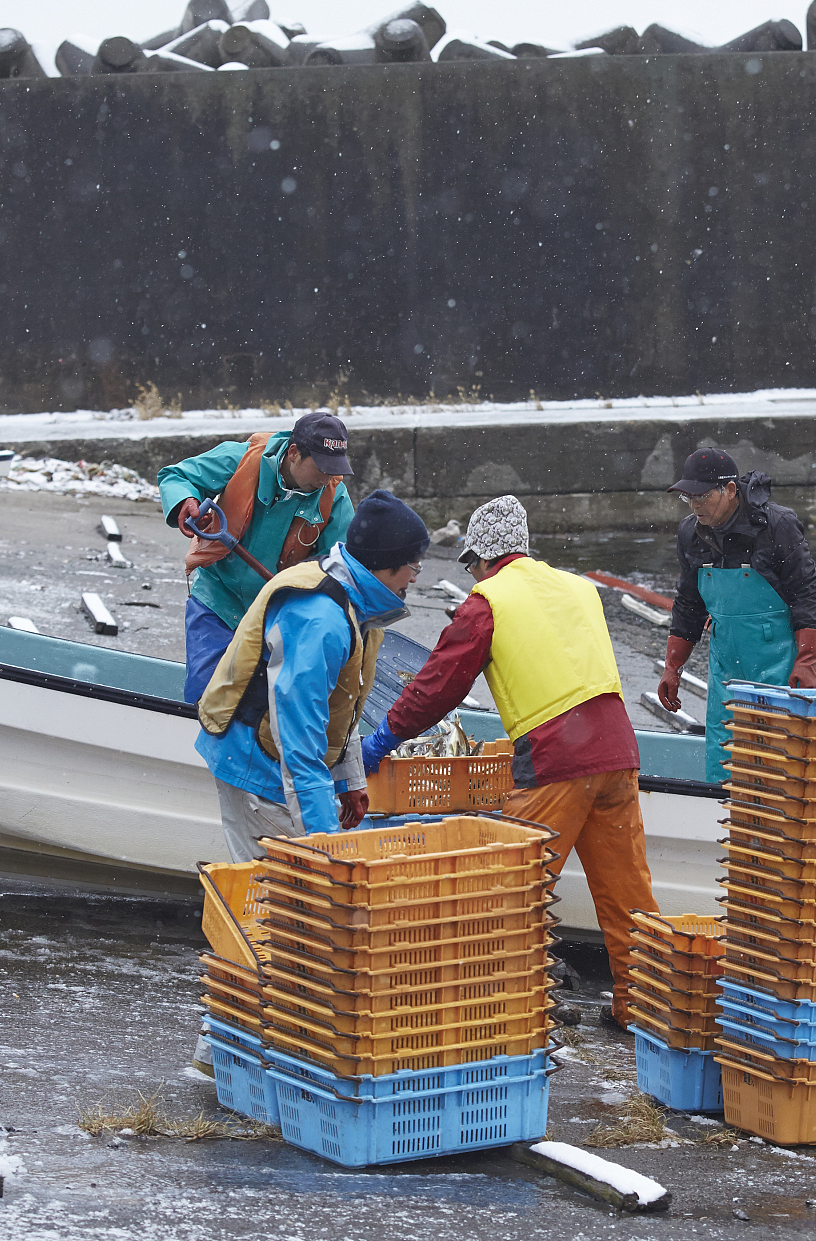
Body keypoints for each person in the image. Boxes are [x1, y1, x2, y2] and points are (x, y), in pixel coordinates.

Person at [360, 495, 653, 1026]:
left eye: (471, 566)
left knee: (512, 891)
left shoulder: (487, 601)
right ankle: (645, 1007)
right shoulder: (578, 588)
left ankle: (511, 1007)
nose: (471, 576)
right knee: (628, 895)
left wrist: (386, 734)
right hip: (619, 755)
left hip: (556, 762)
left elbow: (438, 686)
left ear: (483, 560)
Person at [194, 489, 428, 862]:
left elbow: (341, 702)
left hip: (276, 757)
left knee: (299, 895)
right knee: (297, 894)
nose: (415, 579)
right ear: (386, 565)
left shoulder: (363, 605)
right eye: (414, 567)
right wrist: (326, 844)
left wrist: (349, 779)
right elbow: (299, 738)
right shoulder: (320, 620)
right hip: (254, 762)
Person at [159, 412, 357, 703]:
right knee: (205, 695)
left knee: (261, 705)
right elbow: (177, 476)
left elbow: (344, 568)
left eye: (335, 468)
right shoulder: (242, 459)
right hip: (218, 598)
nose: (328, 477)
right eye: (321, 467)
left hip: (275, 614)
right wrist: (184, 501)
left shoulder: (334, 497)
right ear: (293, 453)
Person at [654, 448, 816, 781]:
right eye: (689, 498)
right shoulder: (690, 533)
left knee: (778, 758)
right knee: (725, 753)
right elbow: (688, 604)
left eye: (702, 496)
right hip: (725, 662)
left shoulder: (777, 525)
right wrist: (672, 667)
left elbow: (807, 594)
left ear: (730, 490)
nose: (695, 505)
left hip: (778, 662)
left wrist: (806, 662)